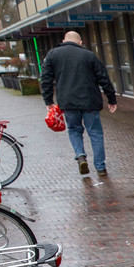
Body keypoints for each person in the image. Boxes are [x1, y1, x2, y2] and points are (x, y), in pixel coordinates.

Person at [41, 30, 117, 177]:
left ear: (64, 40)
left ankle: (80, 155)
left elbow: (46, 78)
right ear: (80, 42)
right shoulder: (89, 55)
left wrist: (48, 100)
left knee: (74, 130)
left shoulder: (52, 55)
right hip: (90, 101)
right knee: (95, 133)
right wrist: (111, 99)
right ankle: (100, 168)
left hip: (68, 102)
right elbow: (103, 78)